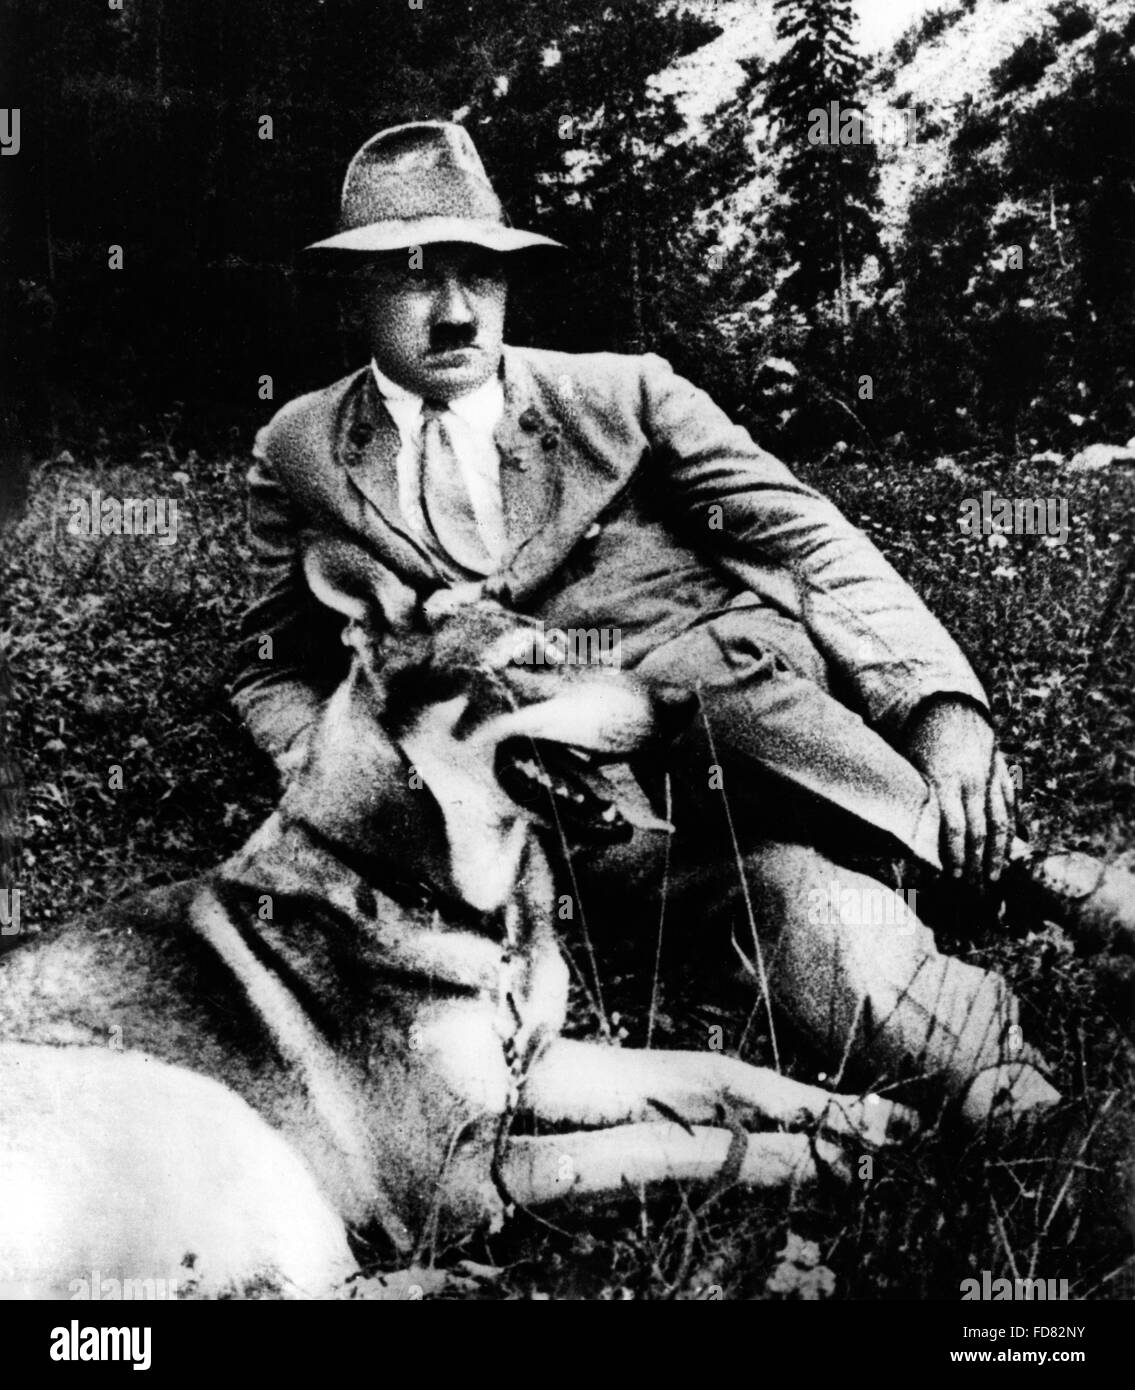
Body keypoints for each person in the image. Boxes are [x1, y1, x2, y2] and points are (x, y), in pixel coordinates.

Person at [232, 121, 1057, 1124]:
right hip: (573, 805)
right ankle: (999, 1080)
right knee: (788, 896)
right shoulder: (301, 445)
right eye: (414, 279)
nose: (455, 312)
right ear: (354, 292)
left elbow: (811, 544)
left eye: (479, 274)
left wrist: (943, 709)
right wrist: (335, 770)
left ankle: (1007, 869)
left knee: (703, 688)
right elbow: (268, 664)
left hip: (742, 716)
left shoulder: (623, 393)